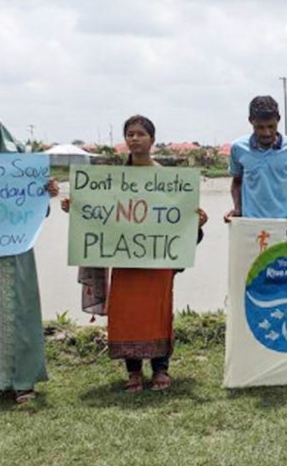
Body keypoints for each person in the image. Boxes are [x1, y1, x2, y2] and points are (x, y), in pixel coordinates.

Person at [62, 115, 207, 392]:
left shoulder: (171, 180)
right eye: (130, 133)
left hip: (158, 261)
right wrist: (77, 207)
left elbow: (181, 225)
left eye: (141, 133)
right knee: (126, 313)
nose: (135, 138)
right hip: (126, 259)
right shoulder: (112, 181)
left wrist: (196, 223)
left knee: (159, 312)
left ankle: (160, 369)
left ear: (152, 139)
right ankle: (133, 372)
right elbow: (99, 216)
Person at [0, 103, 59, 403]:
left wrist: (44, 192)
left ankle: (23, 381)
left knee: (19, 309)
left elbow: (37, 211)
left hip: (14, 249)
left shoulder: (19, 158)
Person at [225, 95, 287, 221]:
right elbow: (237, 181)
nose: (266, 133)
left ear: (278, 120)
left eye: (271, 126)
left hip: (284, 224)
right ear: (251, 121)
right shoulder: (238, 148)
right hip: (251, 225)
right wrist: (237, 208)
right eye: (260, 127)